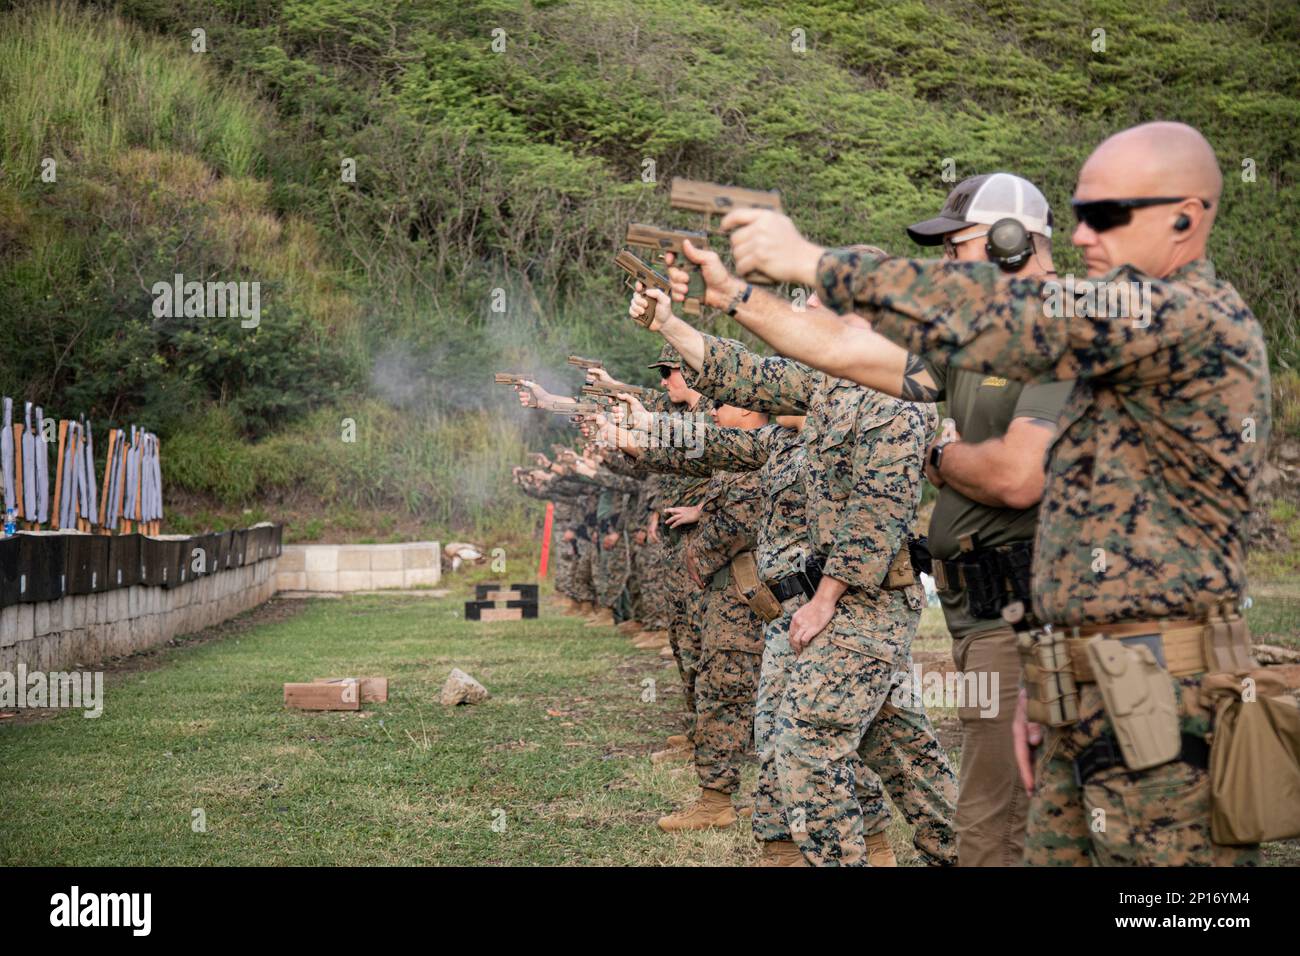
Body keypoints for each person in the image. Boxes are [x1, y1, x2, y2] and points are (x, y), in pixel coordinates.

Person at [705, 121, 1269, 866]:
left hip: (1160, 688)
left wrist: (814, 262)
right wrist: (738, 296)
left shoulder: (1187, 316)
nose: (1082, 233)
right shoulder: (1098, 332)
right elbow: (863, 352)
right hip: (1081, 673)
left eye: (1105, 214)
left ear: (1187, 217)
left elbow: (1015, 326)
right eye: (1077, 212)